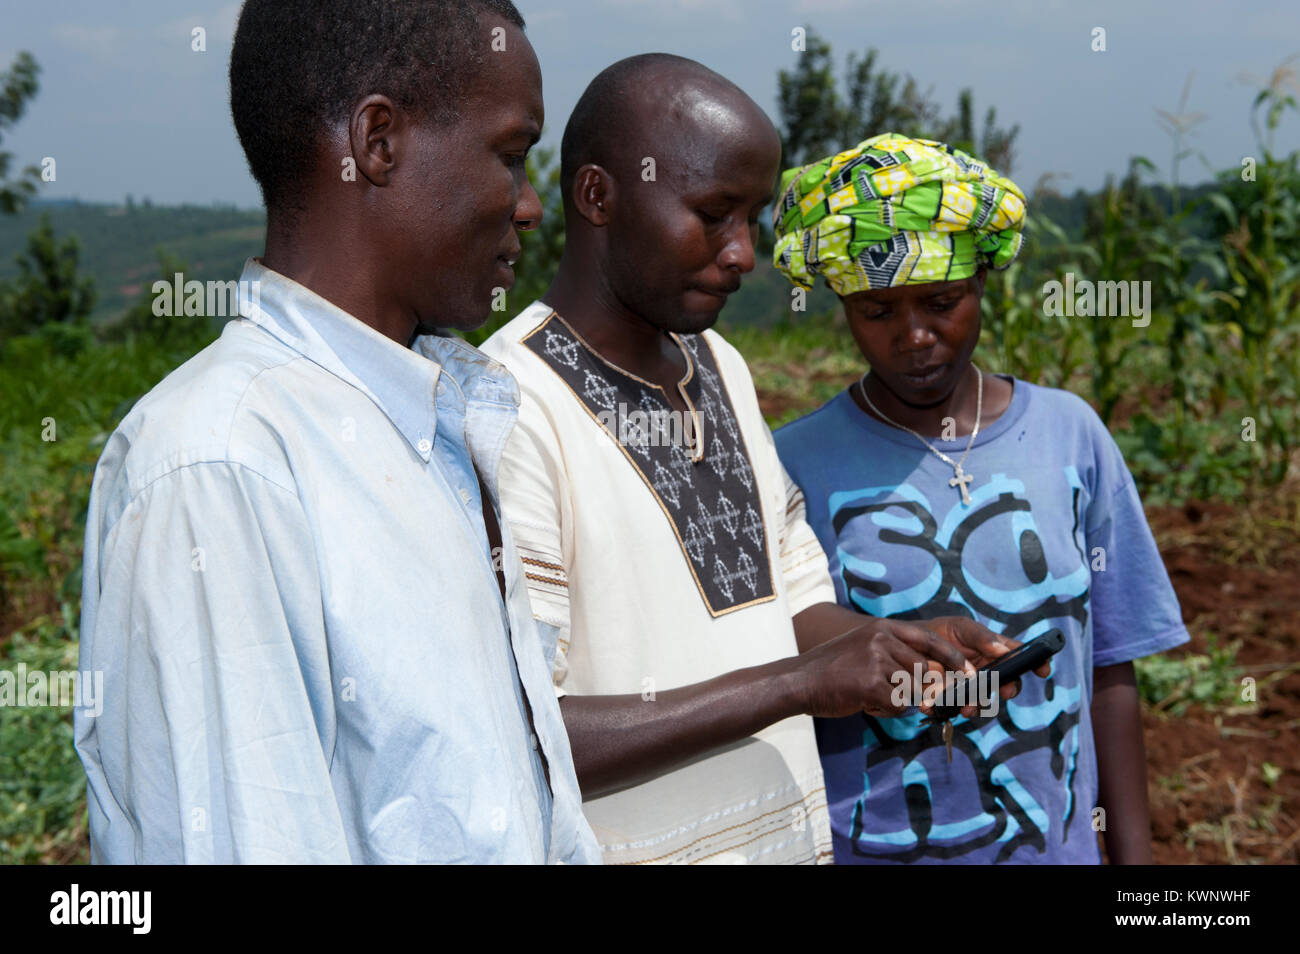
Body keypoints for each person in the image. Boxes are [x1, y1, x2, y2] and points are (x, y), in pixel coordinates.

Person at [74, 0, 600, 864]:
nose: (532, 204)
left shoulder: (430, 422)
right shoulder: (220, 466)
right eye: (511, 156)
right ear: (378, 143)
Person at [481, 57, 1028, 865]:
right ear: (598, 196)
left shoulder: (719, 366)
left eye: (754, 218)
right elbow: (523, 733)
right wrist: (797, 686)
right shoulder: (511, 404)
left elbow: (795, 605)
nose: (744, 253)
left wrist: (901, 655)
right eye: (713, 214)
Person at [771, 133, 1190, 864]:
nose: (916, 337)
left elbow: (1111, 668)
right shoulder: (793, 465)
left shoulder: (1071, 435)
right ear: (840, 305)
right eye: (877, 312)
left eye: (942, 301)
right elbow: (779, 671)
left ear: (984, 283)